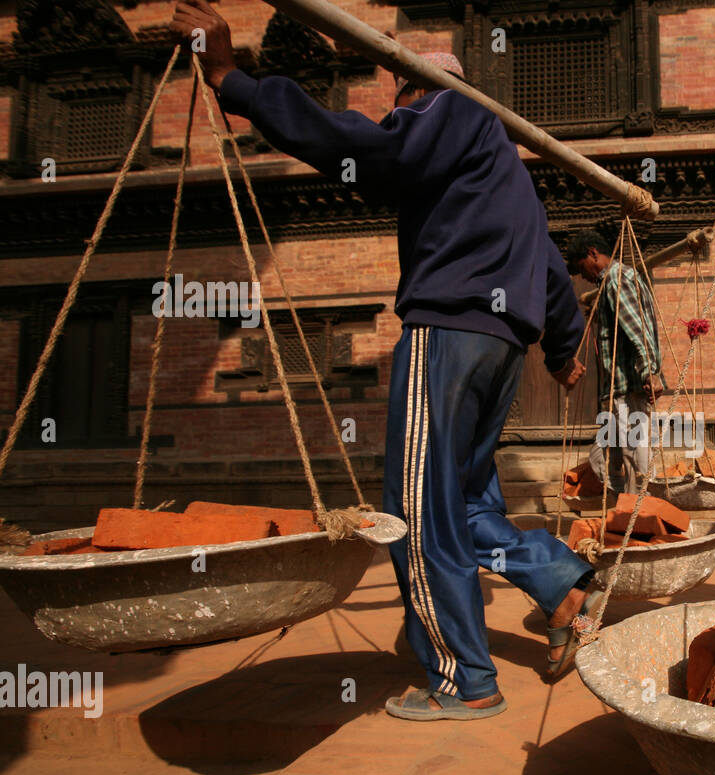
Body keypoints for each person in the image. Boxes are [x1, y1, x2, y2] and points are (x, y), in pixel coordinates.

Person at [171, 0, 602, 712]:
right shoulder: (510, 174)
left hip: (448, 334)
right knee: (461, 505)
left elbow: (370, 151)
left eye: (401, 104)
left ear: (417, 96)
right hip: (500, 349)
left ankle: (461, 680)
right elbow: (554, 278)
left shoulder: (453, 114)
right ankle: (558, 583)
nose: (399, 117)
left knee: (413, 509)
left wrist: (234, 82)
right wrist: (560, 352)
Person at [566, 230, 666, 494]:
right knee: (601, 457)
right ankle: (626, 504)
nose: (583, 277)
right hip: (617, 389)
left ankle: (640, 513)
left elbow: (637, 330)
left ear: (592, 254)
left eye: (581, 268)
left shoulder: (617, 279)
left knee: (636, 454)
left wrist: (649, 372)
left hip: (630, 386)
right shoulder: (613, 283)